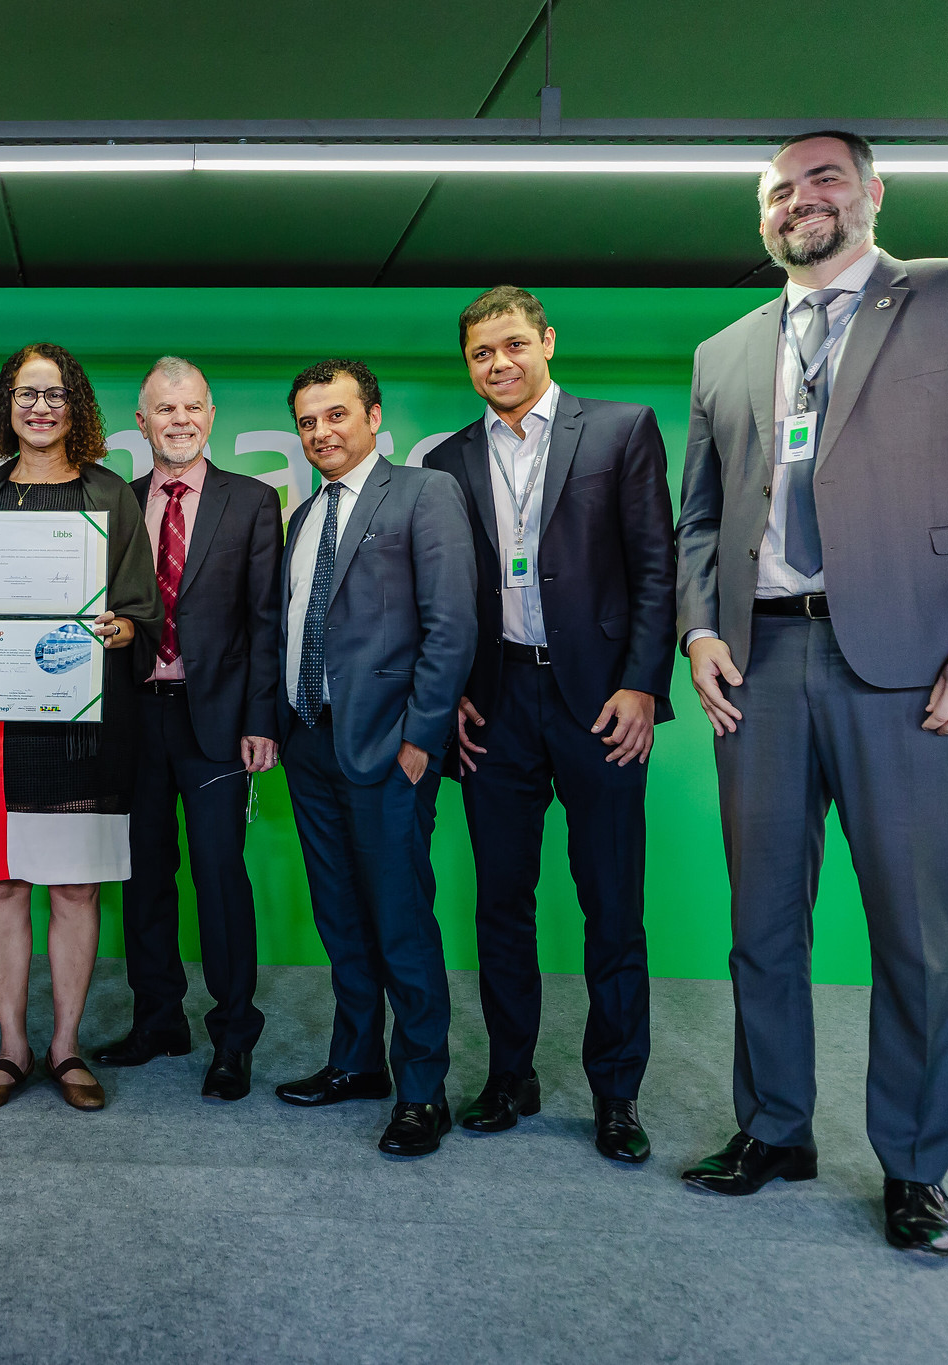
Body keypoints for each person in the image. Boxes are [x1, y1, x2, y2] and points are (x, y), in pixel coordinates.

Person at [675, 131, 948, 1256]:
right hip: (761, 666)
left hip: (912, 668)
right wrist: (700, 626)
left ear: (870, 193)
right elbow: (699, 516)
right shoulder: (725, 350)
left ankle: (912, 1167)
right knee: (762, 924)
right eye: (777, 190)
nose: (798, 201)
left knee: (915, 933)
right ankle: (773, 1129)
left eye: (821, 180)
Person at [421, 287, 677, 1164]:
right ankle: (510, 1075)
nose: (497, 364)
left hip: (601, 703)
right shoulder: (448, 458)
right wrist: (453, 688)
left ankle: (616, 1093)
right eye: (480, 354)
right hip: (496, 707)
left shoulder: (619, 429)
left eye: (512, 345)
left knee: (611, 905)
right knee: (501, 904)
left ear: (546, 342)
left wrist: (643, 686)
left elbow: (655, 566)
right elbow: (447, 594)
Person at [0, 342, 160, 1113]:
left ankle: (64, 1047)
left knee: (75, 890)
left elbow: (141, 615)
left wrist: (111, 631)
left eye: (56, 393)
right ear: (6, 405)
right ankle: (10, 1047)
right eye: (26, 393)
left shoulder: (109, 496)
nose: (40, 406)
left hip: (80, 725)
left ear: (76, 407)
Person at [271, 359, 477, 1158]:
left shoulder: (423, 495)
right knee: (341, 918)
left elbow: (451, 623)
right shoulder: (303, 515)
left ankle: (422, 1089)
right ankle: (355, 1062)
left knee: (399, 920)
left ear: (373, 416)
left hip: (390, 748)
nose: (320, 432)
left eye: (335, 415)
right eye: (307, 421)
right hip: (309, 742)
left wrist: (421, 740)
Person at [94, 357, 282, 1102]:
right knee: (142, 879)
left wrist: (261, 719)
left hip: (217, 722)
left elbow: (266, 621)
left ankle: (233, 1034)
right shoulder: (115, 501)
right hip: (134, 715)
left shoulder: (253, 501)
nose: (179, 420)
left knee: (218, 878)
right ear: (140, 423)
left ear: (210, 416)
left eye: (192, 407)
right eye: (164, 409)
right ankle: (157, 1019)